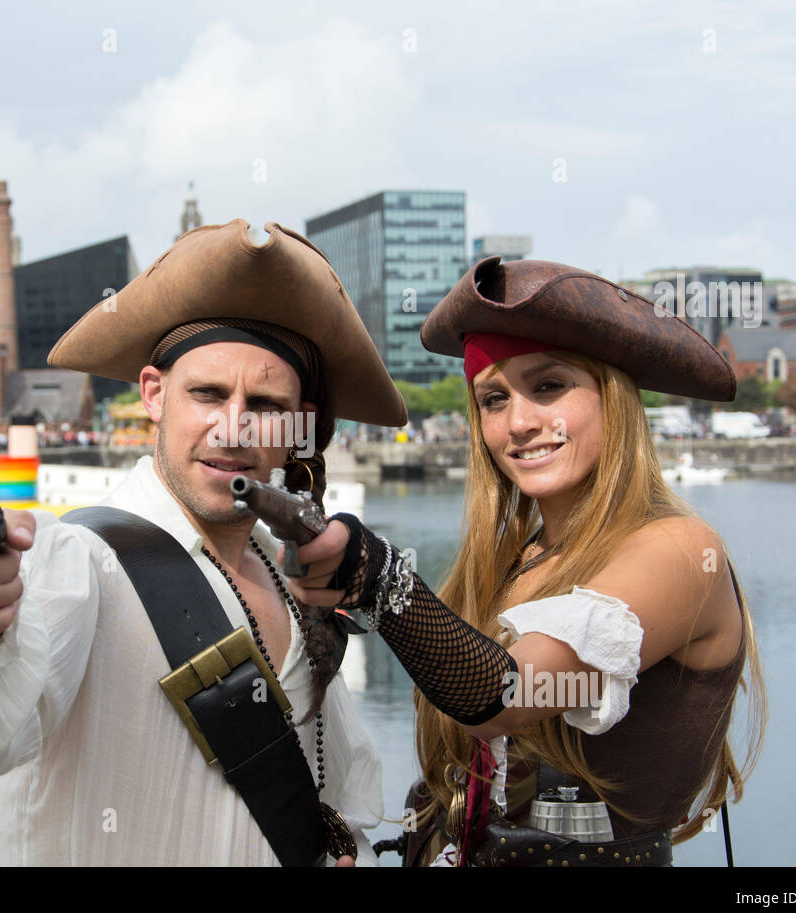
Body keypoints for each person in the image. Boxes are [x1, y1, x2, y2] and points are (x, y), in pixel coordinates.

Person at [0, 219, 407, 865]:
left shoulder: (290, 582)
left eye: (266, 404)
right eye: (207, 393)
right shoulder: (74, 561)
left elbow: (335, 791)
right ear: (154, 395)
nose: (232, 428)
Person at [290, 255, 767, 866]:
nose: (519, 423)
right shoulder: (513, 561)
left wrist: (380, 582)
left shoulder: (681, 548)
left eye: (548, 386)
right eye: (493, 399)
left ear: (613, 397)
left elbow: (509, 692)